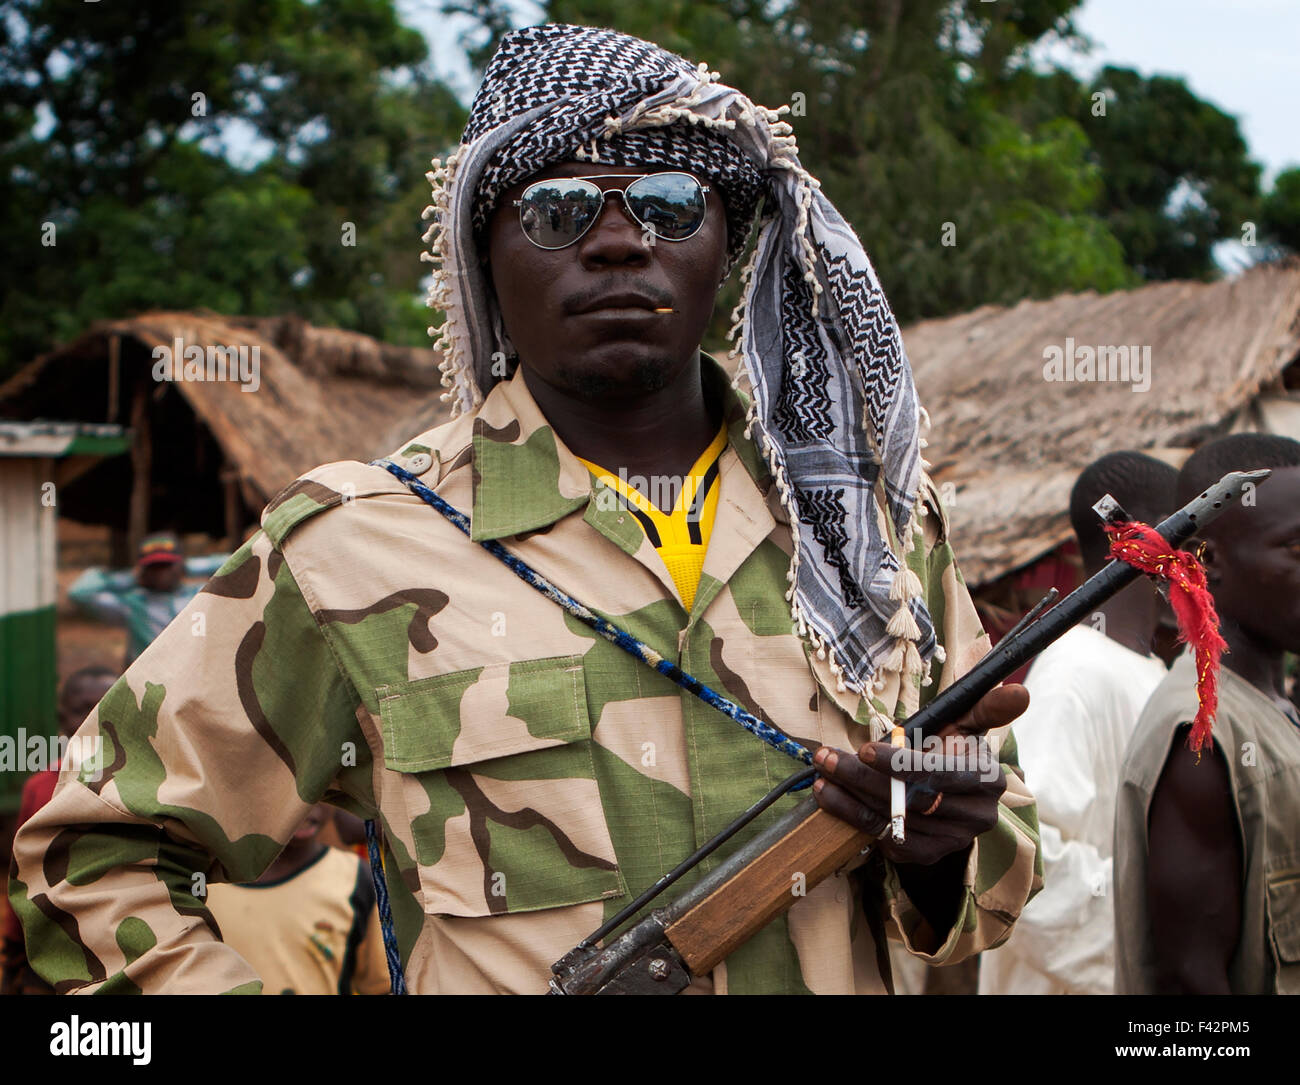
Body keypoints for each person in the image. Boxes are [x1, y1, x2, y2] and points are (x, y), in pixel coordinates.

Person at [11, 23, 1040, 995]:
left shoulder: (867, 534)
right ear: (486, 256)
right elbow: (93, 851)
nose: (619, 241)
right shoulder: (351, 546)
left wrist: (941, 849)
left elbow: (996, 887)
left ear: (724, 246)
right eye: (556, 210)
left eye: (671, 203)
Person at [978, 451, 1176, 995]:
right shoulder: (1074, 670)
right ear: (1154, 538)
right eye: (1190, 530)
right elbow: (1030, 859)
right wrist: (1162, 934)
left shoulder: (1153, 670)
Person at [1114, 433, 1300, 994]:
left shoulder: (1274, 707)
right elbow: (1191, 987)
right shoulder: (1201, 735)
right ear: (1207, 561)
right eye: (1297, 548)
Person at [1, 666, 118, 995]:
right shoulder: (39, 790)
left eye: (106, 705)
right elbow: (21, 877)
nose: (93, 718)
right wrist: (13, 954)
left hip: (120, 955)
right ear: (62, 716)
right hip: (49, 956)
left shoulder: (144, 792)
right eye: (83, 708)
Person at [204, 804, 389, 995]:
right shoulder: (202, 878)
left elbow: (380, 986)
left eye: (319, 789)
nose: (305, 804)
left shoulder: (357, 879)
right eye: (290, 787)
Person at [66, 531, 229, 665]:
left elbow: (240, 563)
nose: (161, 573)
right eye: (154, 567)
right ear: (143, 570)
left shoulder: (199, 594)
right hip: (148, 685)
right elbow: (79, 593)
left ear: (180, 565)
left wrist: (190, 567)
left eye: (167, 565)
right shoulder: (132, 604)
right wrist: (130, 577)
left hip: (194, 675)